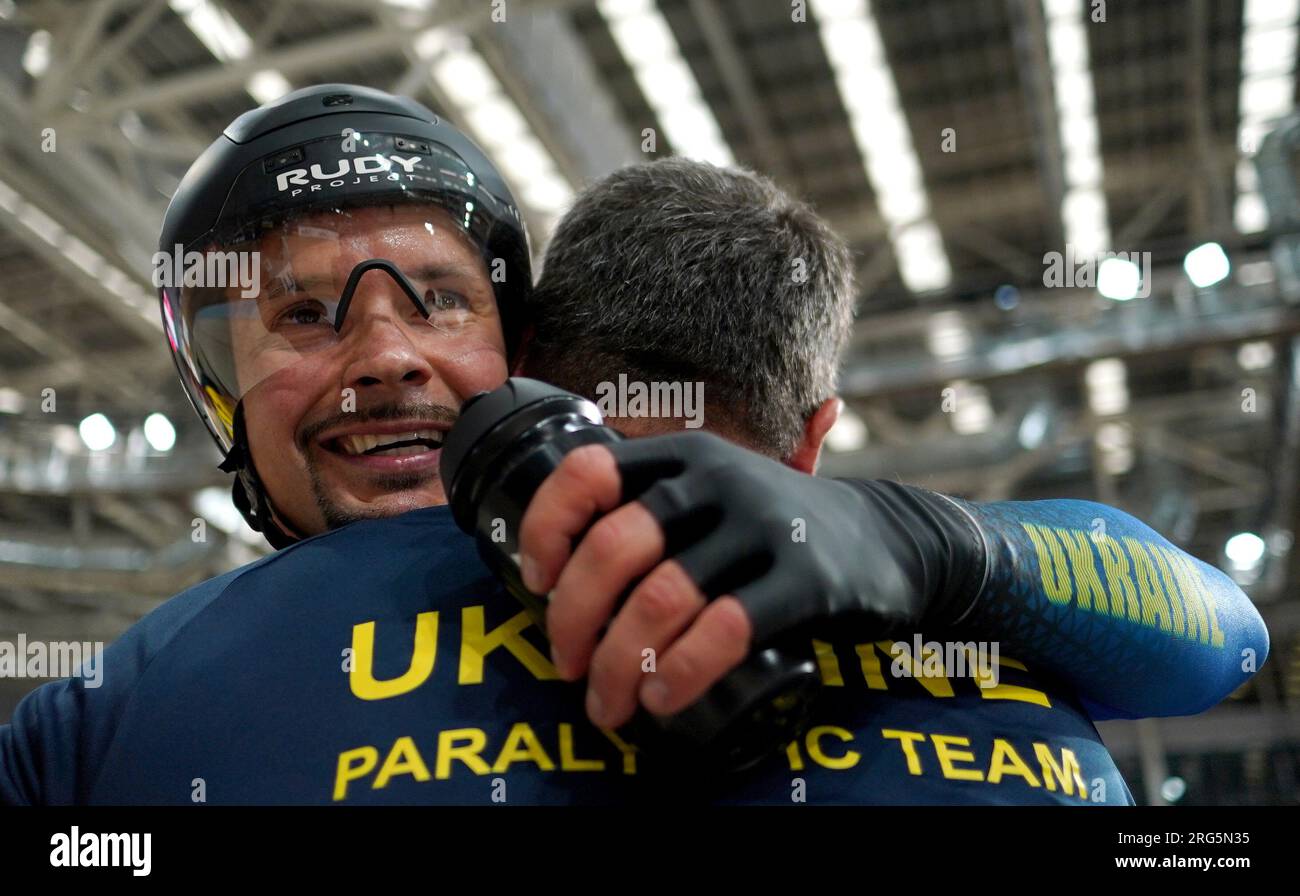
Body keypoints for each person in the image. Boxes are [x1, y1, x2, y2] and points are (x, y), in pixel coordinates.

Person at [0, 85, 1266, 805]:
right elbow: (1217, 636)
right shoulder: (109, 715)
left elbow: (1228, 634)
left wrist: (923, 541)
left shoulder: (130, 710)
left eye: (439, 298)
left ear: (525, 349)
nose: (384, 355)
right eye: (299, 313)